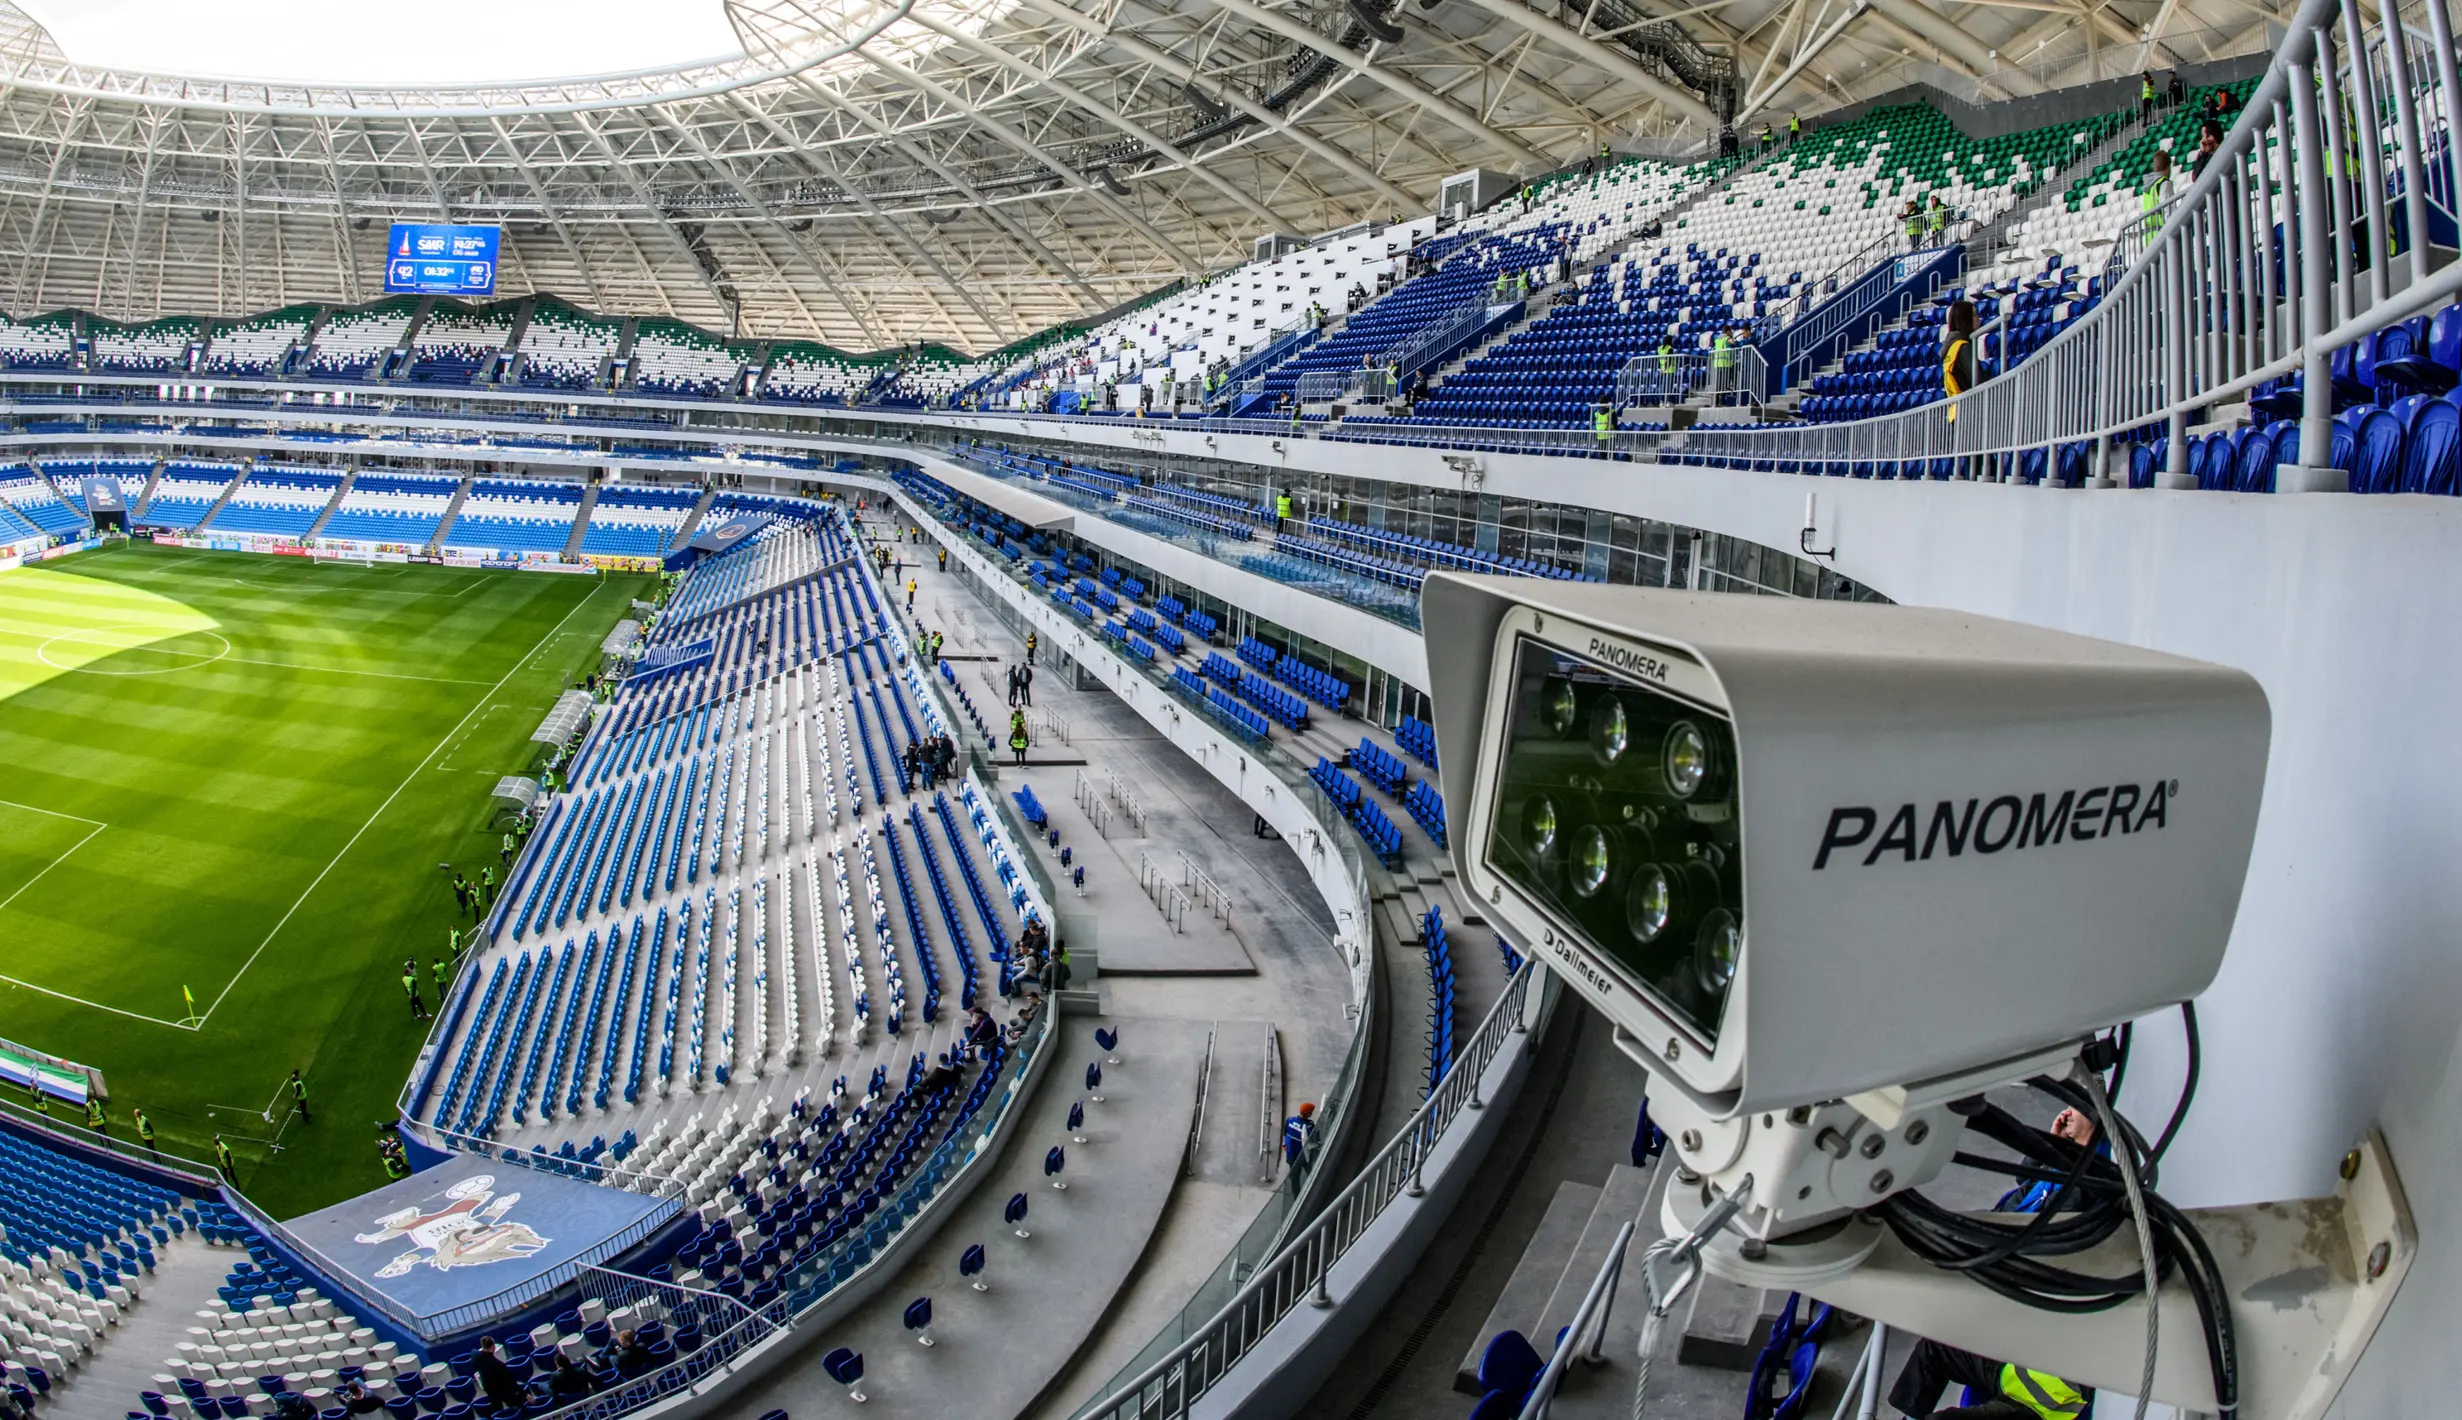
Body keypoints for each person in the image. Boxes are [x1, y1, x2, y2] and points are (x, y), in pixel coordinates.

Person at [1942, 299, 1980, 427]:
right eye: (1974, 315)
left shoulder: (1950, 349)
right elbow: (1979, 379)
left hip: (1956, 412)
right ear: (1965, 319)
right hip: (1969, 412)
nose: (1978, 319)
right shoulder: (1962, 348)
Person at [472, 1338, 527, 1414]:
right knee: (518, 1406)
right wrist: (525, 1394)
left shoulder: (476, 1355)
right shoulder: (497, 1364)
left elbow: (474, 1352)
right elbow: (511, 1382)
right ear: (492, 1346)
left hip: (489, 1389)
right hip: (502, 1389)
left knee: (497, 1411)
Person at [1282, 1102, 1318, 1186]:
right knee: (1312, 1173)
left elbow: (1285, 1133)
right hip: (1305, 1157)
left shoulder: (1289, 1120)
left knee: (1295, 1179)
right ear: (1308, 1114)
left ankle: (1296, 1197)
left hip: (1291, 1156)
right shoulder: (1309, 1126)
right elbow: (1315, 1140)